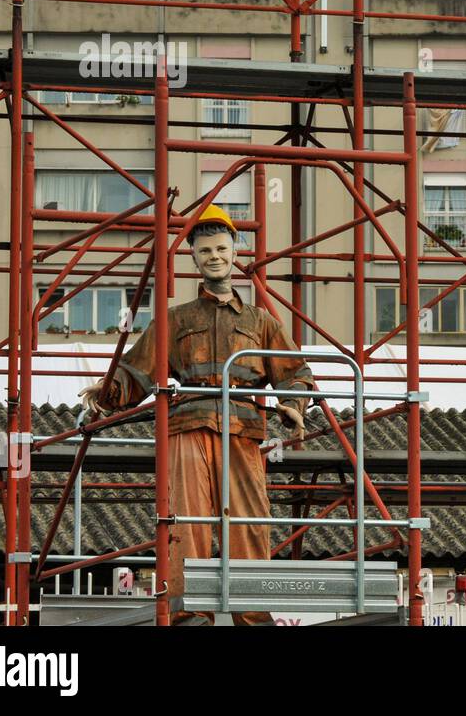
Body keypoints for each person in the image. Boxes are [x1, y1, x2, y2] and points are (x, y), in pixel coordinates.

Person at [79, 205, 313, 625]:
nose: (215, 256)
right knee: (185, 524)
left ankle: (253, 618)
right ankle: (189, 619)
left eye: (222, 248)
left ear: (235, 251)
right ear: (193, 255)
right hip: (187, 430)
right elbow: (136, 372)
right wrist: (105, 393)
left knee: (248, 525)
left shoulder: (261, 323)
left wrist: (293, 405)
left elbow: (295, 370)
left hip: (243, 433)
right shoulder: (175, 320)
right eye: (205, 250)